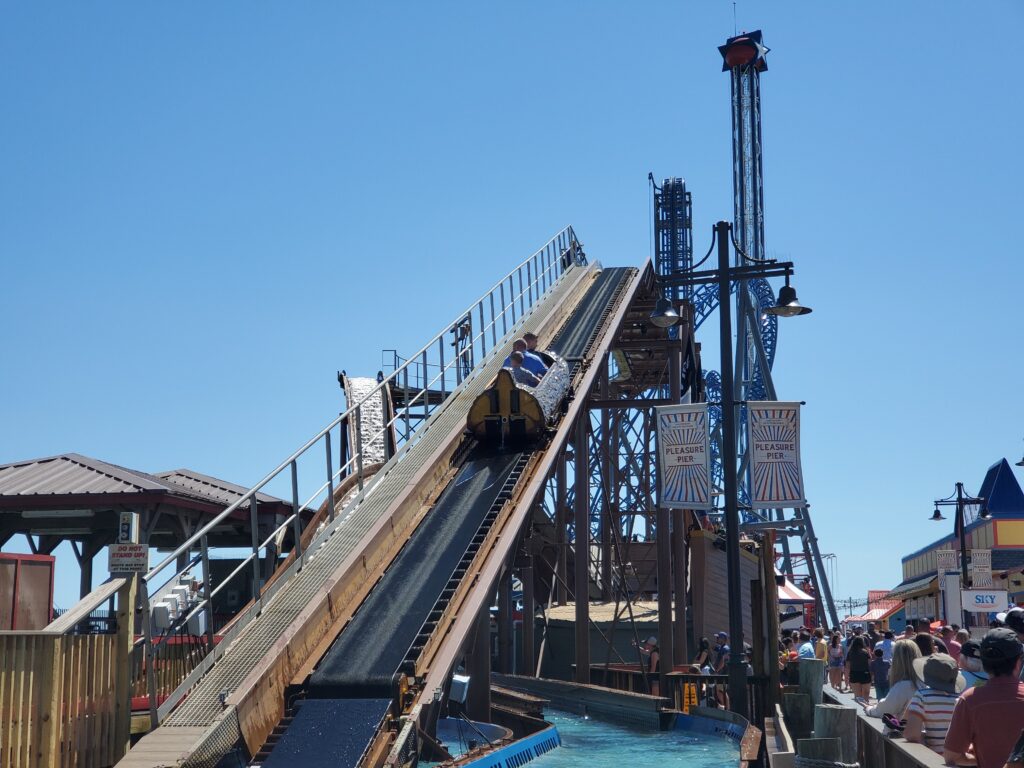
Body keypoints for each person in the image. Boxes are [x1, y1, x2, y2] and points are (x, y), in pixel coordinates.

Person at [944, 628, 1024, 768]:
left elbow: (952, 756)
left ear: (984, 663)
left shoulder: (970, 700)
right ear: (1018, 662)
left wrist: (982, 758)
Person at [904, 653, 964, 753]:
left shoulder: (922, 696)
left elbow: (912, 735)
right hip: (957, 760)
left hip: (932, 759)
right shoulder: (960, 700)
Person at [865, 639, 923, 727]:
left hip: (906, 734)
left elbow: (884, 710)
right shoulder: (923, 682)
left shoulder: (904, 686)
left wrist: (868, 709)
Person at [846, 635, 872, 700]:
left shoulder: (850, 652)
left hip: (854, 674)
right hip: (865, 673)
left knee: (858, 696)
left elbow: (847, 666)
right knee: (866, 694)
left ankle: (859, 708)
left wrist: (847, 676)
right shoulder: (865, 652)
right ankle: (866, 707)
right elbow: (870, 663)